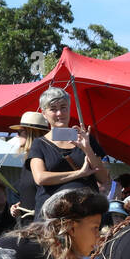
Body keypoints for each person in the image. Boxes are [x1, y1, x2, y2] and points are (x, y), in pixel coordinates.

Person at [29, 88, 110, 218]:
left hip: (85, 213)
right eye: (53, 109)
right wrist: (79, 173)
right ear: (44, 113)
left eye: (63, 107)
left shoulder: (85, 138)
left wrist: (87, 148)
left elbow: (103, 178)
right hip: (52, 216)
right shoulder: (39, 144)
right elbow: (40, 178)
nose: (59, 113)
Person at [8, 111, 49, 221]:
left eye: (19, 131)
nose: (16, 135)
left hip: (40, 226)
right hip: (28, 225)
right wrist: (21, 205)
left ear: (30, 133)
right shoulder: (28, 162)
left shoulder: (46, 161)